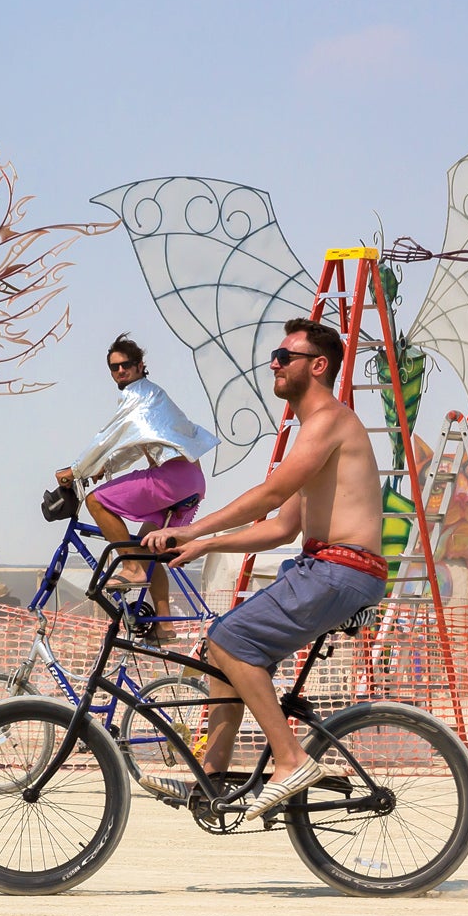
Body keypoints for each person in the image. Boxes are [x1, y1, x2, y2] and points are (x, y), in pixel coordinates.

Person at [138, 318, 386, 820]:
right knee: (225, 646)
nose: (273, 363)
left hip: (340, 569)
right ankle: (211, 778)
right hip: (323, 565)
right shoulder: (312, 434)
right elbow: (280, 527)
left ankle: (291, 760)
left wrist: (190, 529)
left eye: (284, 356)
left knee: (229, 641)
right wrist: (206, 543)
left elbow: (268, 495)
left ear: (318, 366)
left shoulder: (330, 421)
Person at [58, 334, 218, 631]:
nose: (120, 371)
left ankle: (130, 568)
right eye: (114, 367)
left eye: (127, 365)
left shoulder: (138, 394)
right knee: (148, 547)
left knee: (96, 501)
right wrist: (105, 466)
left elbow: (109, 436)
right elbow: (133, 445)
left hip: (172, 478)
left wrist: (77, 470)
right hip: (192, 481)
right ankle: (164, 625)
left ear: (141, 366)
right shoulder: (152, 397)